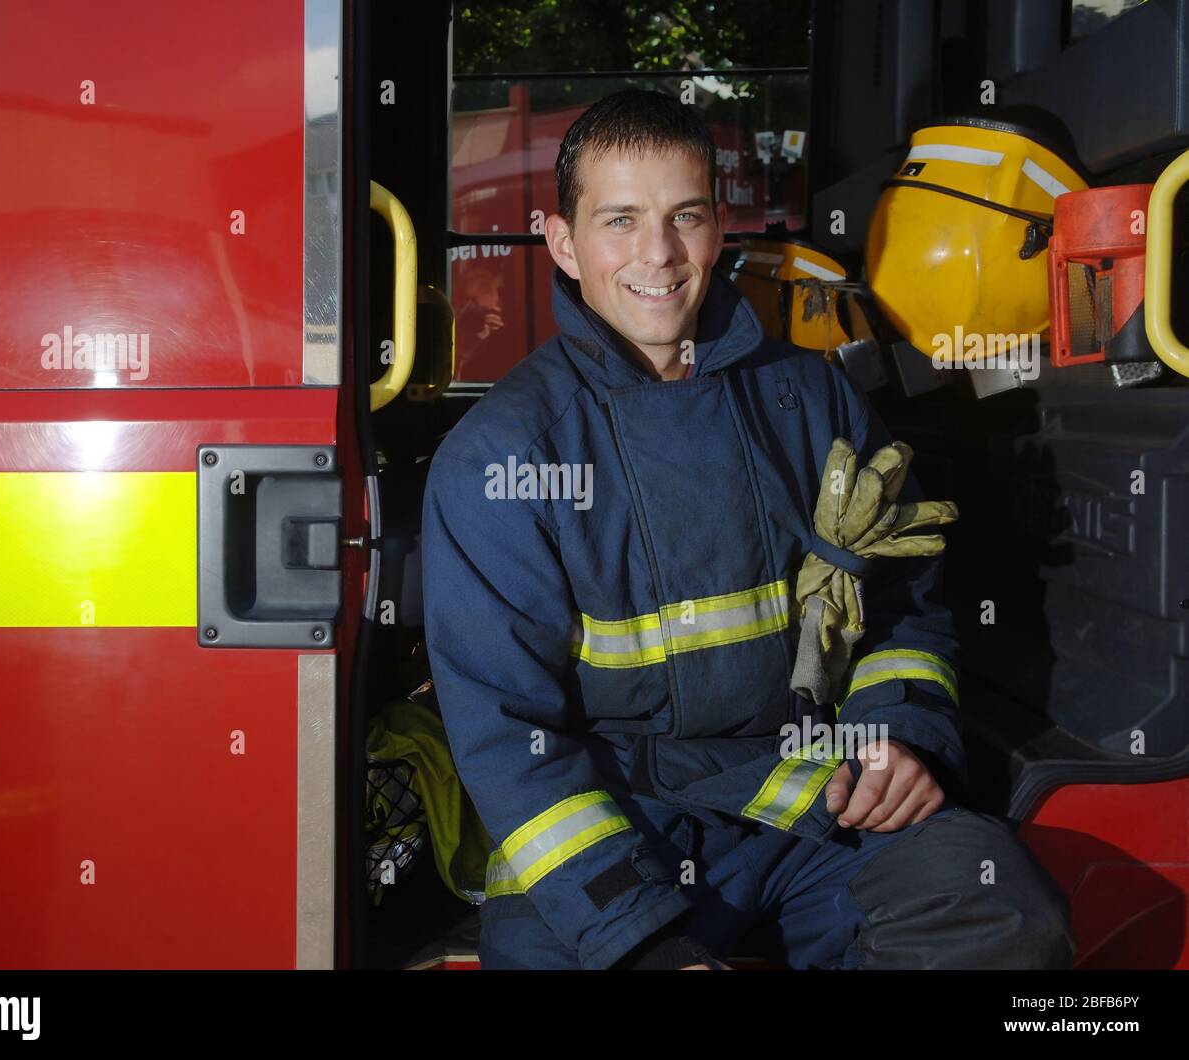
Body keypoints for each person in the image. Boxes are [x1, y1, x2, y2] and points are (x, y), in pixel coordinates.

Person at [421, 88, 1075, 970]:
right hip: (616, 821)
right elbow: (508, 740)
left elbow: (902, 610)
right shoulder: (500, 456)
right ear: (563, 242)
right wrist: (639, 938)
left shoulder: (814, 401)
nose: (658, 254)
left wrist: (899, 736)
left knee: (999, 912)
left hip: (813, 793)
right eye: (620, 221)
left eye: (684, 215)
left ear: (719, 227)